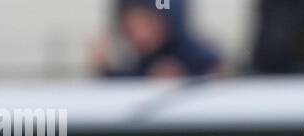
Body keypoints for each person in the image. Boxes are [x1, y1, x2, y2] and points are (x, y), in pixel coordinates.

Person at [93, 0, 223, 80]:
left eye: (149, 23)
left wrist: (187, 79)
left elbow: (221, 77)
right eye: (130, 26)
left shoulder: (199, 58)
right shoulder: (134, 62)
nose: (140, 34)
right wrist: (105, 71)